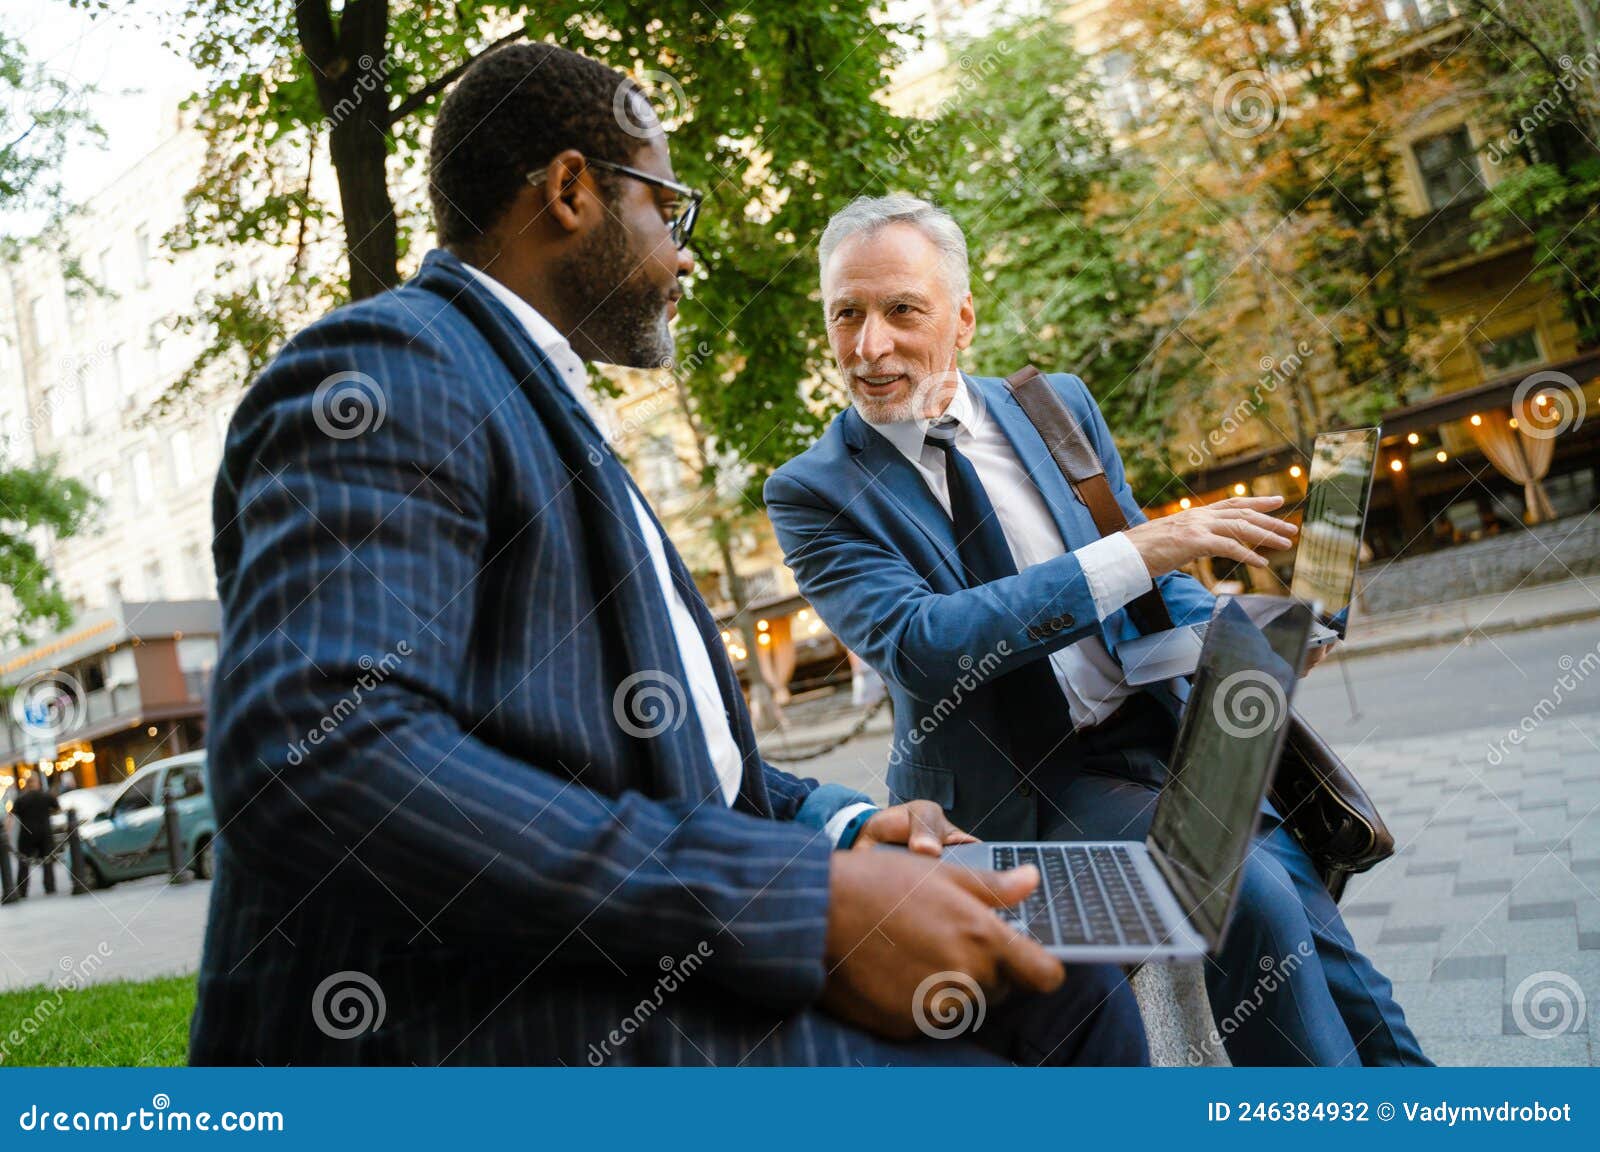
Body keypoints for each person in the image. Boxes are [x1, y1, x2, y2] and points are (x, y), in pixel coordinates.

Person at [188, 45, 1145, 1066]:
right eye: (667, 209)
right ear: (569, 191)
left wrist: (843, 824)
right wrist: (798, 901)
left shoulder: (533, 401)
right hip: (494, 1022)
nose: (686, 254)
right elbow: (314, 753)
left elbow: (654, 756)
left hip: (635, 952)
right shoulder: (392, 369)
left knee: (1065, 979)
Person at [765, 194, 1430, 1067]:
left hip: (1169, 737)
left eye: (901, 311)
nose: (869, 347)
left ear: (962, 318)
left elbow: (1151, 595)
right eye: (845, 314)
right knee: (1252, 895)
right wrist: (1138, 550)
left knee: (1333, 953)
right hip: (1023, 792)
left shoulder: (1056, 406)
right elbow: (923, 645)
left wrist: (1250, 631)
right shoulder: (811, 491)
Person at [9, 776, 60, 898]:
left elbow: (11, 816)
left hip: (27, 835)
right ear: (37, 783)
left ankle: (22, 891)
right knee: (47, 862)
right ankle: (50, 887)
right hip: (44, 833)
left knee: (24, 863)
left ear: (26, 785)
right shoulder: (46, 796)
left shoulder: (21, 799)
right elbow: (57, 809)